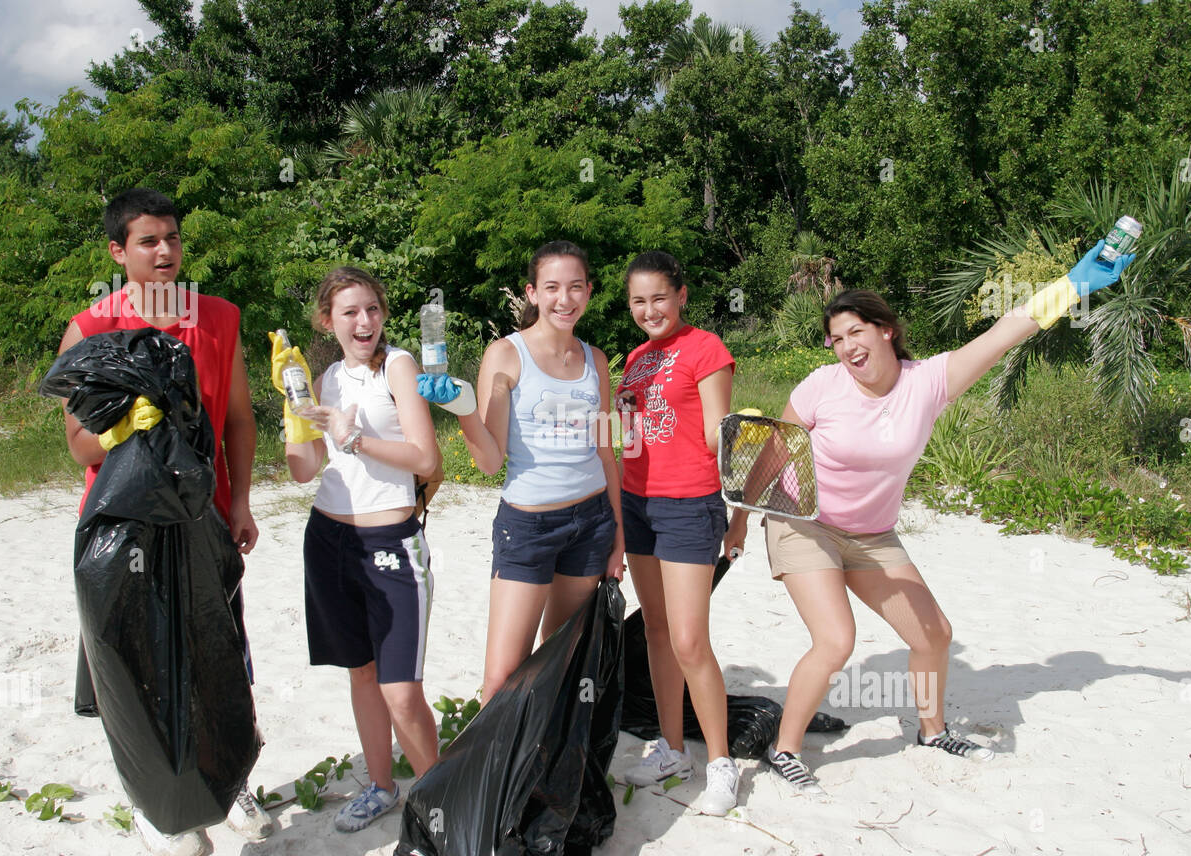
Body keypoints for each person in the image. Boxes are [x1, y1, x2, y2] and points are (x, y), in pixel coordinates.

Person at [725, 241, 1134, 791]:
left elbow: (1005, 332)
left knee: (934, 634)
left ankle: (932, 731)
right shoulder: (821, 385)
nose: (846, 347)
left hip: (870, 534)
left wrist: (1075, 285)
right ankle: (786, 748)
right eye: (837, 338)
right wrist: (740, 519)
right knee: (837, 639)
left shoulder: (930, 381)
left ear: (886, 330)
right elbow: (776, 452)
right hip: (803, 522)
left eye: (855, 332)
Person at [57, 187, 267, 856]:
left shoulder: (218, 317)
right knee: (137, 668)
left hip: (204, 520)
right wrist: (120, 428)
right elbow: (79, 447)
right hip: (125, 530)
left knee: (221, 654)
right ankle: (151, 804)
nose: (165, 250)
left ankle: (231, 780)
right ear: (117, 252)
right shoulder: (92, 328)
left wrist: (240, 502)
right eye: (147, 240)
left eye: (172, 237)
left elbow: (239, 419)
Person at [274, 266, 442, 833]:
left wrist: (352, 437)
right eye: (349, 312)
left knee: (402, 691)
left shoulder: (398, 367)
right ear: (328, 321)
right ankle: (381, 787)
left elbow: (425, 457)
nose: (364, 321)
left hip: (390, 542)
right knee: (362, 673)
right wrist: (295, 415)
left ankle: (439, 805)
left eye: (372, 308)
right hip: (328, 539)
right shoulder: (322, 379)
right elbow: (304, 471)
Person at [420, 241, 625, 703]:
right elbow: (490, 462)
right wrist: (464, 410)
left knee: (560, 658)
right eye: (552, 287)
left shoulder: (595, 360)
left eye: (575, 287)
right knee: (502, 678)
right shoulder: (505, 354)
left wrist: (618, 534)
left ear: (589, 291)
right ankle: (496, 753)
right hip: (529, 527)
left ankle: (546, 749)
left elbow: (606, 451)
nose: (564, 299)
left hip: (592, 522)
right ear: (532, 293)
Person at [613, 251, 741, 816]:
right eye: (638, 301)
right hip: (636, 502)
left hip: (689, 505)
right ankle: (671, 750)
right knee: (657, 630)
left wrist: (741, 439)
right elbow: (631, 438)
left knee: (690, 641)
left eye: (659, 298)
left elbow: (716, 433)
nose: (649, 310)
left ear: (681, 296)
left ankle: (721, 762)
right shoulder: (636, 359)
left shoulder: (706, 349)